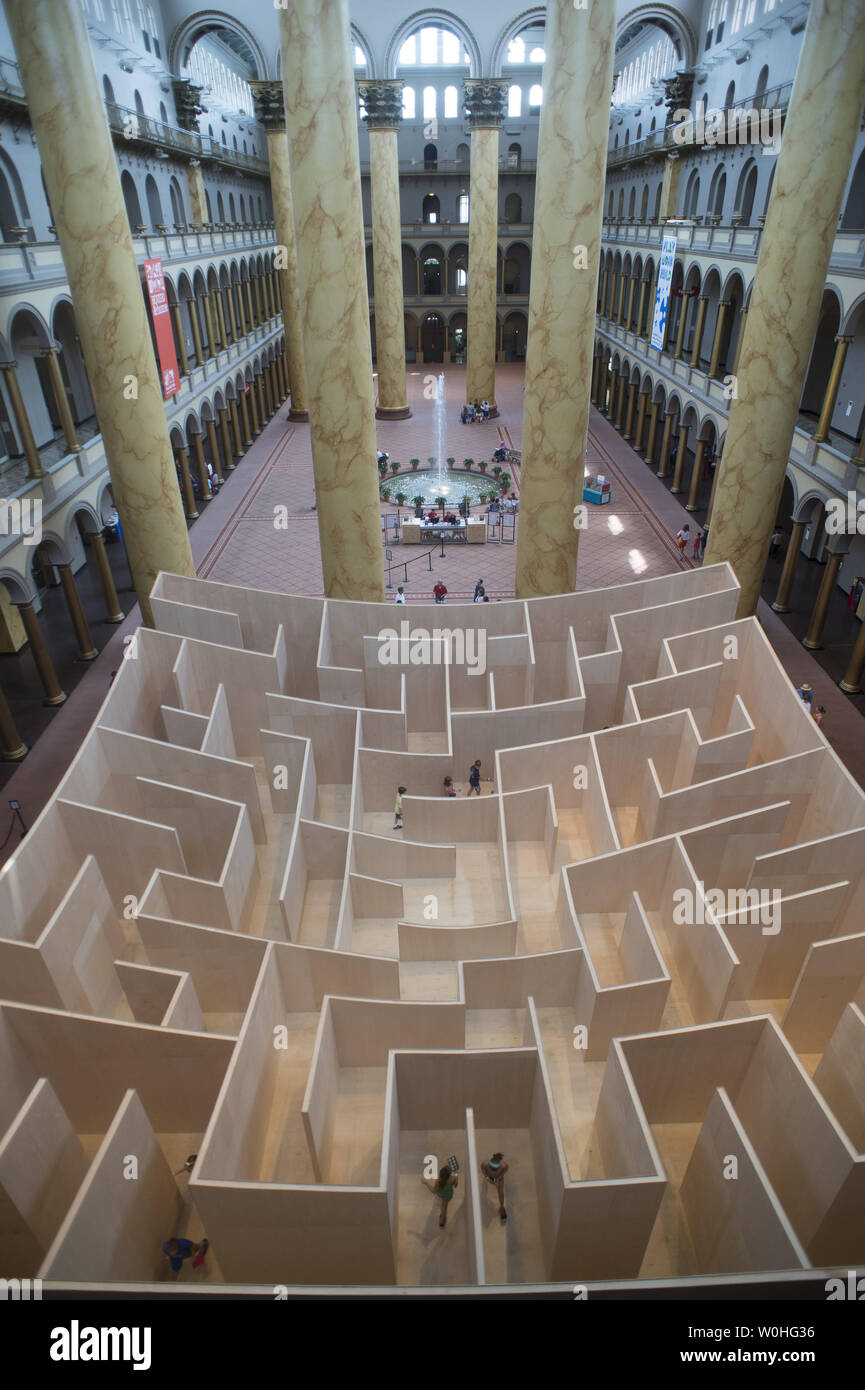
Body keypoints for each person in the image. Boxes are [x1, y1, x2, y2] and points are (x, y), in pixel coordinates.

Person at [423, 1164, 458, 1229]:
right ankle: (442, 1220)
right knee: (444, 1207)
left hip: (440, 1194)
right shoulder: (453, 1178)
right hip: (448, 1195)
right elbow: (455, 1185)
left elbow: (433, 1191)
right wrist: (456, 1174)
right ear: (449, 1175)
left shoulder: (438, 1181)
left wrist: (426, 1183)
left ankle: (442, 1221)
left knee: (443, 1209)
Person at [481, 1152, 509, 1222]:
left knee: (501, 1193)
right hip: (490, 1177)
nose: (493, 1168)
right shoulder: (484, 1164)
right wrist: (488, 1179)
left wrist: (498, 1179)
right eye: (492, 1167)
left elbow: (504, 1172)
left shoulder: (504, 1166)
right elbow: (484, 1172)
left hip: (499, 1179)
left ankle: (502, 1207)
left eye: (496, 1168)